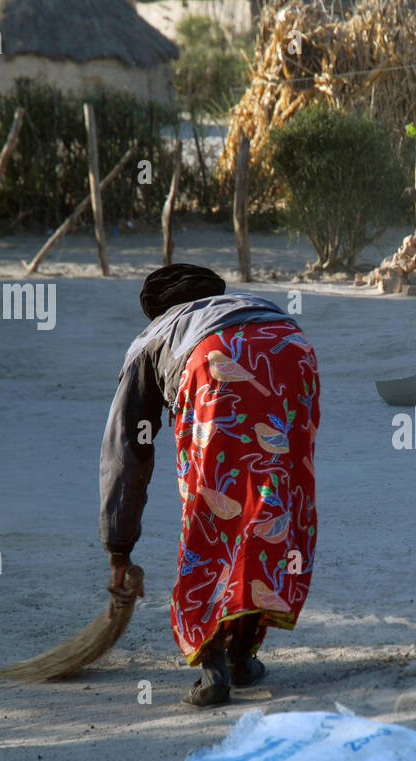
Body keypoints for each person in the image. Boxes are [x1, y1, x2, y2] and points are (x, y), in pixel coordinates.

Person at [99, 264, 320, 706]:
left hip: (216, 359)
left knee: (211, 508)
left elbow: (127, 451)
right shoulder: (244, 305)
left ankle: (214, 667)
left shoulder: (154, 337)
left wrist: (119, 549)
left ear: (156, 312)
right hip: (292, 349)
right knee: (272, 502)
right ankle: (242, 655)